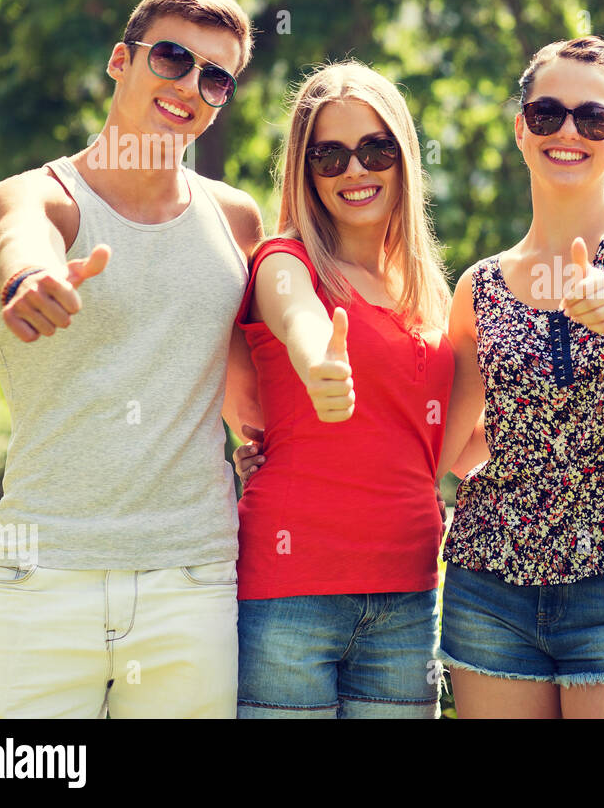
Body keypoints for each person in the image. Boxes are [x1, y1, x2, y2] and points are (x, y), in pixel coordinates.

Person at [0, 0, 264, 717]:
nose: (191, 85)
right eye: (171, 58)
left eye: (216, 77)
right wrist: (30, 281)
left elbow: (245, 395)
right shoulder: (36, 197)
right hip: (46, 572)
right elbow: (18, 242)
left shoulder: (236, 220)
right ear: (119, 61)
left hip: (191, 578)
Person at [436, 35, 604, 718]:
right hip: (489, 586)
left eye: (594, 118)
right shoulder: (479, 286)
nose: (569, 132)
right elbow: (449, 446)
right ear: (522, 127)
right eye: (548, 112)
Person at [229, 61, 457, 718]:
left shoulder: (427, 294)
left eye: (375, 149)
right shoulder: (285, 260)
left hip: (410, 593)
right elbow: (297, 317)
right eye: (330, 156)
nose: (355, 170)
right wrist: (318, 364)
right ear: (306, 172)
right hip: (291, 591)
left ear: (404, 158)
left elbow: (448, 441)